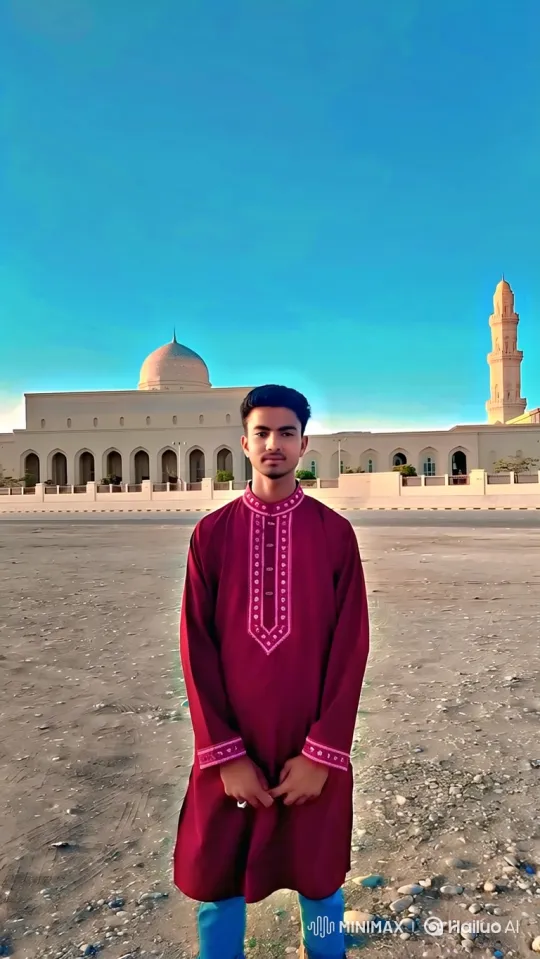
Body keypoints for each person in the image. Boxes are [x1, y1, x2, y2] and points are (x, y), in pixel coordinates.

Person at [173, 384, 370, 959]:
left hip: (308, 745)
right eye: (262, 432)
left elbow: (349, 647)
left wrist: (321, 753)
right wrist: (225, 756)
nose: (273, 444)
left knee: (321, 879)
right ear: (244, 442)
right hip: (232, 747)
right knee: (218, 881)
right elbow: (197, 648)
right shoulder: (212, 535)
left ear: (303, 444)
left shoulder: (334, 535)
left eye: (286, 432)